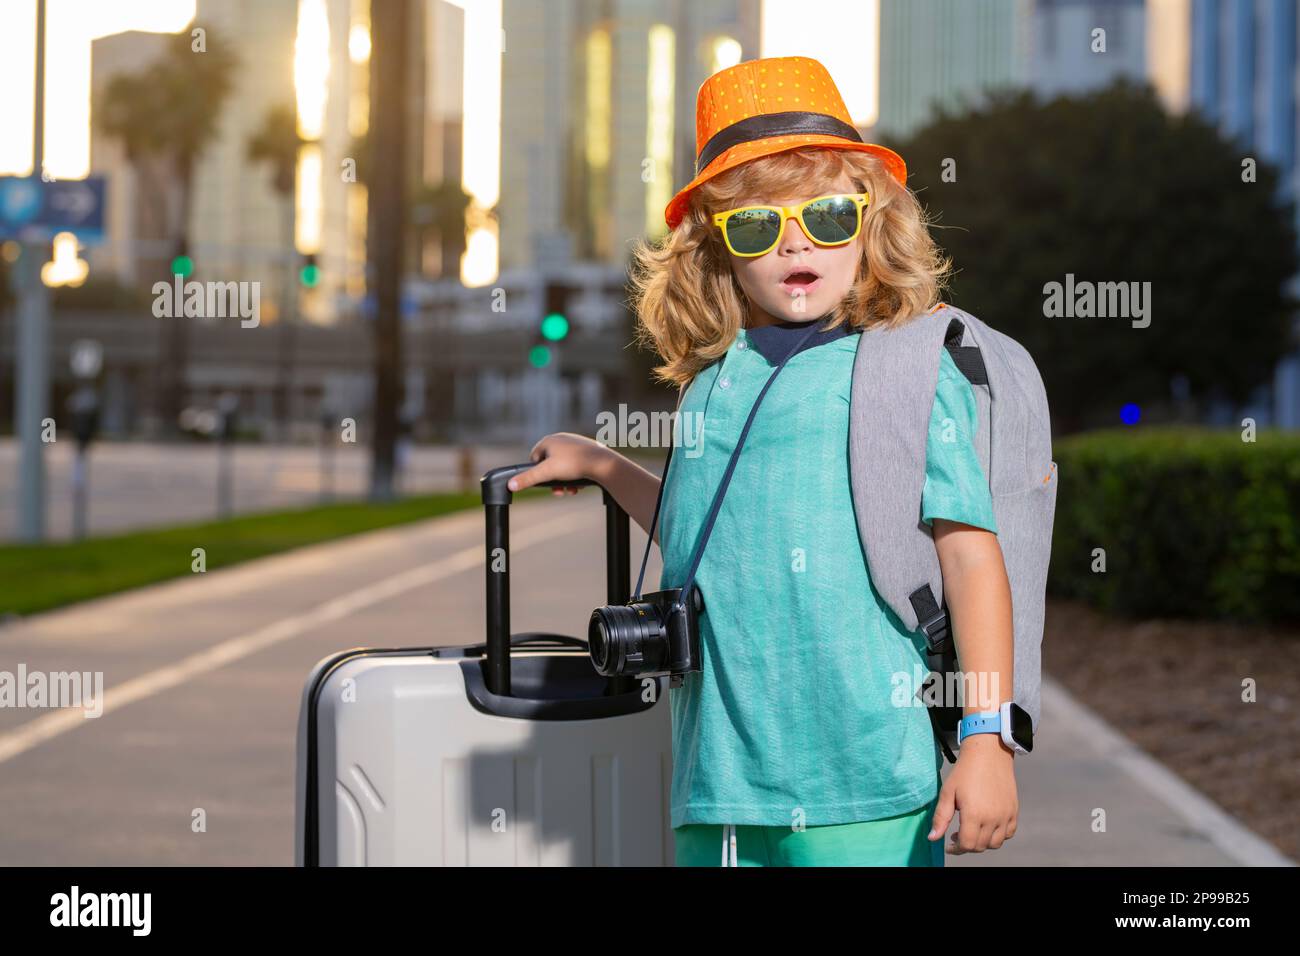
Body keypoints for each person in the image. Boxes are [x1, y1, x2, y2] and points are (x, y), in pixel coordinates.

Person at [507, 56, 1018, 866]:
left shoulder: (902, 370)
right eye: (756, 226)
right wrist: (606, 467)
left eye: (826, 216)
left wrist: (988, 738)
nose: (793, 243)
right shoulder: (715, 382)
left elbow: (970, 555)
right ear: (716, 248)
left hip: (865, 786)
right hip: (717, 786)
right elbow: (700, 525)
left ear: (871, 219)